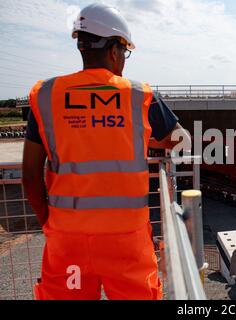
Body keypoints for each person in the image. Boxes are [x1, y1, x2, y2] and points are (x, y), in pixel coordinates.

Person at [22, 3, 190, 300]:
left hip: (67, 239)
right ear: (115, 49)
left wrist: (49, 224)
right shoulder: (139, 95)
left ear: (83, 47)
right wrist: (144, 139)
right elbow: (181, 139)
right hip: (126, 242)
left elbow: (30, 175)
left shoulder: (46, 95)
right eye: (125, 53)